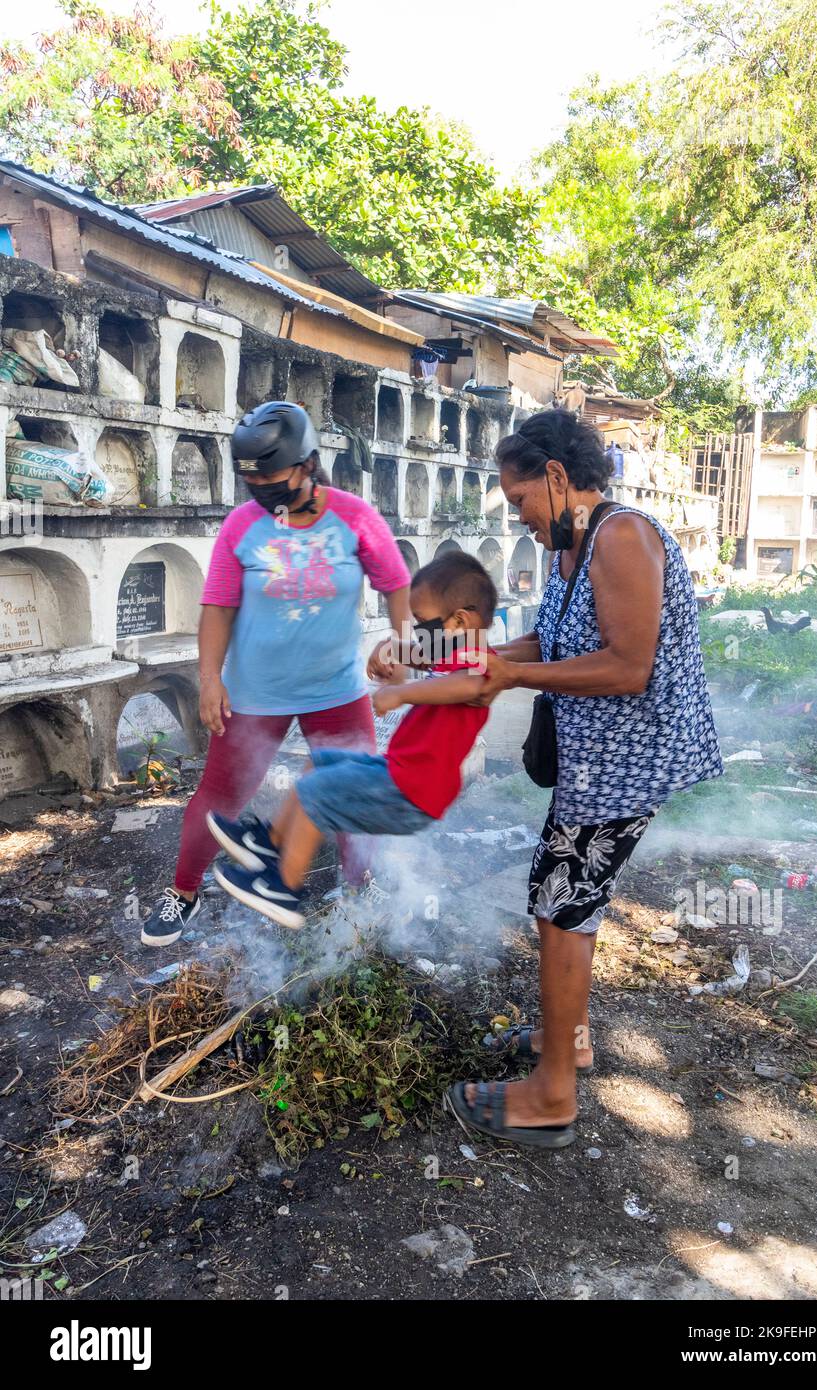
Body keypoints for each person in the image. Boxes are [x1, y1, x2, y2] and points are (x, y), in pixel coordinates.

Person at [444, 409, 723, 1149]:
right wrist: (494, 659)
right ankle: (571, 1040)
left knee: (560, 899)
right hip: (596, 760)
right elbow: (563, 639)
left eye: (520, 501)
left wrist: (513, 676)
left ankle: (553, 1095)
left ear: (559, 478)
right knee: (561, 894)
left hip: (631, 758)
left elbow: (628, 666)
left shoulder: (622, 536)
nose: (519, 519)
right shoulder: (575, 548)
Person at [140, 401, 412, 948]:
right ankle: (183, 892)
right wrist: (211, 680)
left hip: (336, 688)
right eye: (251, 476)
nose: (260, 484)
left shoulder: (356, 517)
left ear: (308, 463)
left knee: (349, 789)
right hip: (255, 694)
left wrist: (402, 642)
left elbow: (396, 583)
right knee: (220, 798)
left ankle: (361, 886)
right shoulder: (242, 526)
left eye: (270, 472)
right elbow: (217, 605)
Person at [207, 552, 496, 927]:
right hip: (399, 773)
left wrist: (402, 693)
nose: (418, 630)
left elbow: (468, 684)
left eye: (423, 622)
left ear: (460, 620)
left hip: (413, 791)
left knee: (319, 792)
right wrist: (390, 651)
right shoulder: (457, 647)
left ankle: (282, 890)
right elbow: (424, 656)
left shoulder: (481, 663)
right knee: (323, 760)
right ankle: (272, 843)